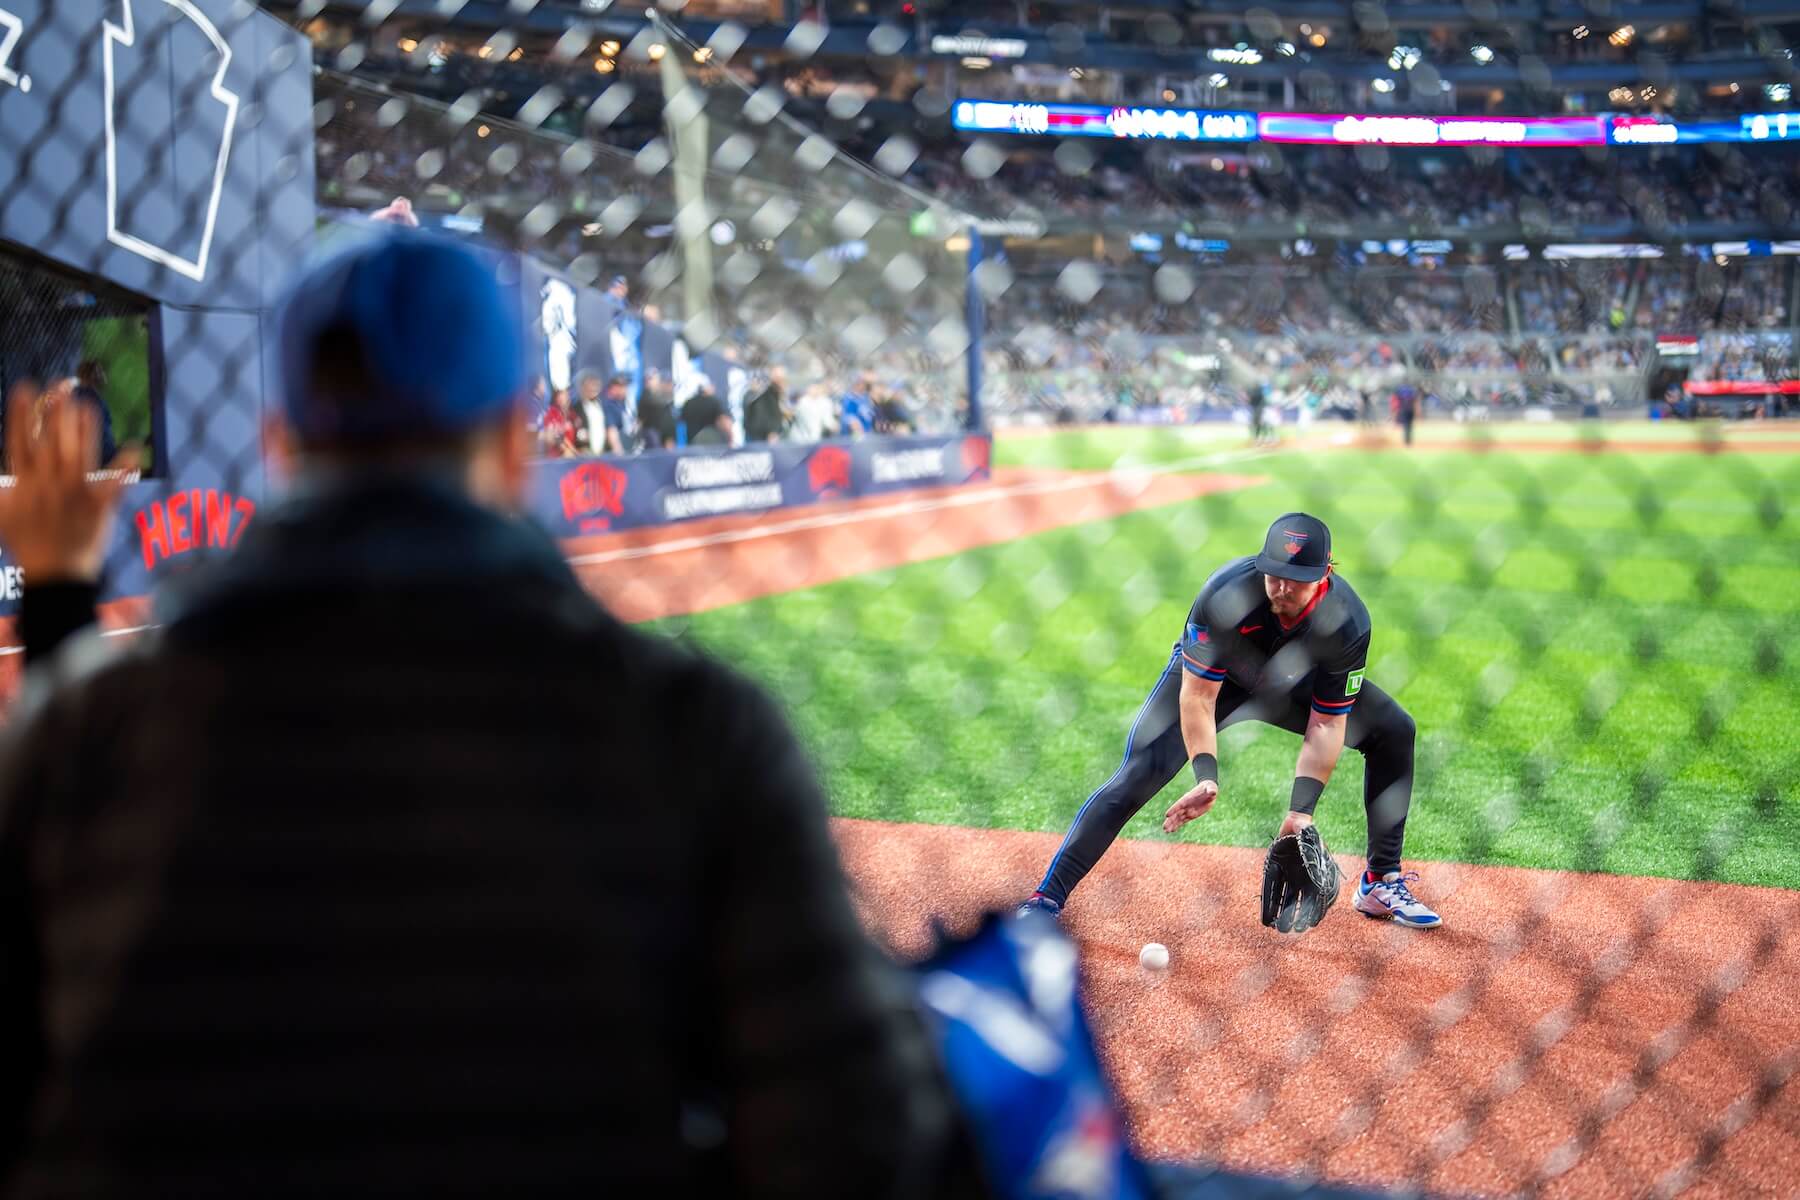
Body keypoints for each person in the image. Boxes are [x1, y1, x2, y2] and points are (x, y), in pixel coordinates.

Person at [0, 231, 979, 1198]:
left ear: (281, 445)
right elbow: (859, 1138)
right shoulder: (690, 728)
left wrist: (57, 603)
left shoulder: (101, 731)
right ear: (516, 444)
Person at [1020, 513, 1440, 930]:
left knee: (1394, 730)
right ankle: (1045, 898)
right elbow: (1199, 697)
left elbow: (1326, 724)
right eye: (1274, 574)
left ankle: (1379, 882)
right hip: (1218, 682)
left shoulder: (1347, 621)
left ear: (1325, 573)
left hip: (1294, 685)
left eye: (1297, 578)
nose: (1282, 587)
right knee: (1137, 773)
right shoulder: (1225, 593)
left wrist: (1300, 813)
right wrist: (1206, 773)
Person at [537, 385, 586, 458]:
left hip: (571, 453)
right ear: (556, 398)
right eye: (560, 395)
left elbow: (579, 430)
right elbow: (558, 438)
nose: (563, 398)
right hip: (557, 457)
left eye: (565, 395)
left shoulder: (572, 414)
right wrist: (574, 452)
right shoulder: (552, 413)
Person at [744, 367, 788, 443]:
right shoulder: (764, 394)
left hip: (764, 436)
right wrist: (771, 431)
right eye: (778, 378)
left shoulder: (775, 394)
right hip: (761, 438)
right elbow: (761, 415)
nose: (781, 381)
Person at [636, 370, 677, 451]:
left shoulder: (664, 396)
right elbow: (641, 419)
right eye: (648, 380)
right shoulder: (646, 396)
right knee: (656, 456)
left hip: (666, 435)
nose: (649, 382)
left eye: (652, 379)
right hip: (653, 434)